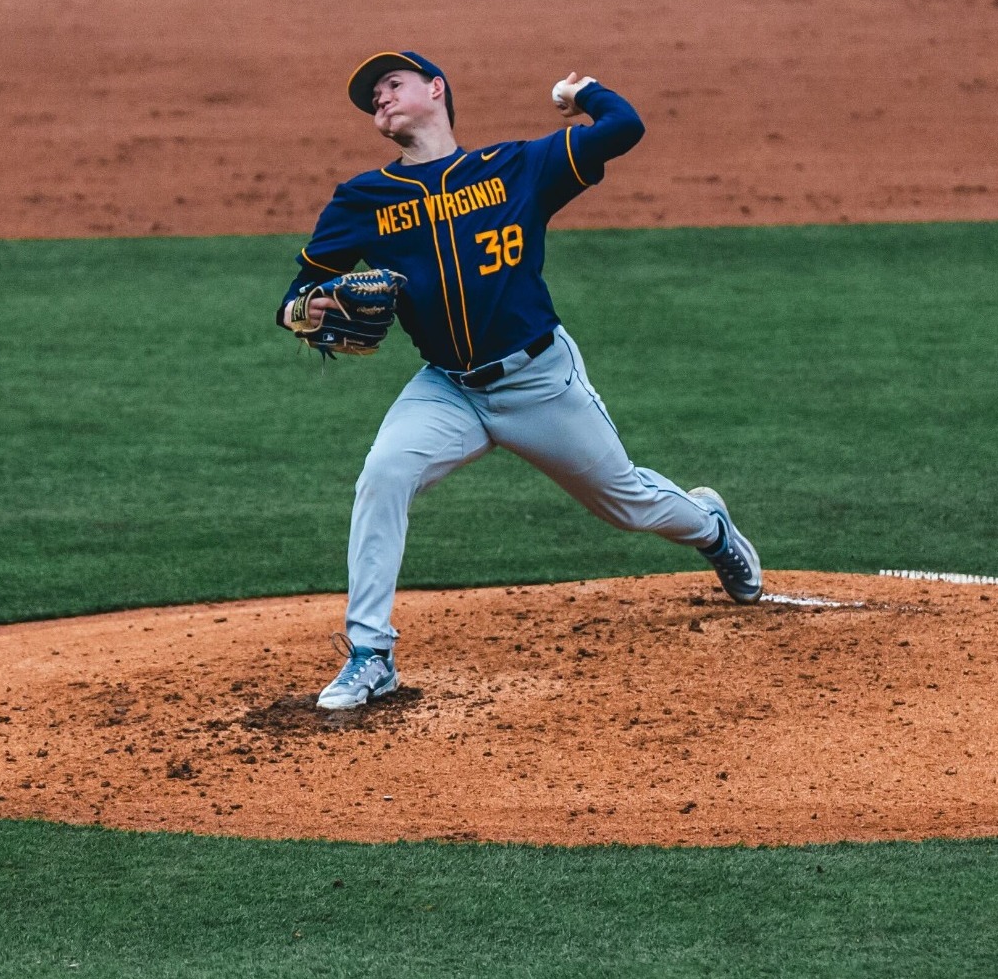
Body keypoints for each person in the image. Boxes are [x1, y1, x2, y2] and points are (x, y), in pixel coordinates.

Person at [279, 51, 762, 710]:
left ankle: (711, 528)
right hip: (446, 389)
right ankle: (372, 653)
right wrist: (304, 309)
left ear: (435, 90)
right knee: (383, 473)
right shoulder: (364, 199)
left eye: (392, 85)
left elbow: (624, 127)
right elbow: (299, 291)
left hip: (538, 381)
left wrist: (582, 90)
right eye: (371, 99)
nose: (379, 100)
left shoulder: (517, 168)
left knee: (625, 502)